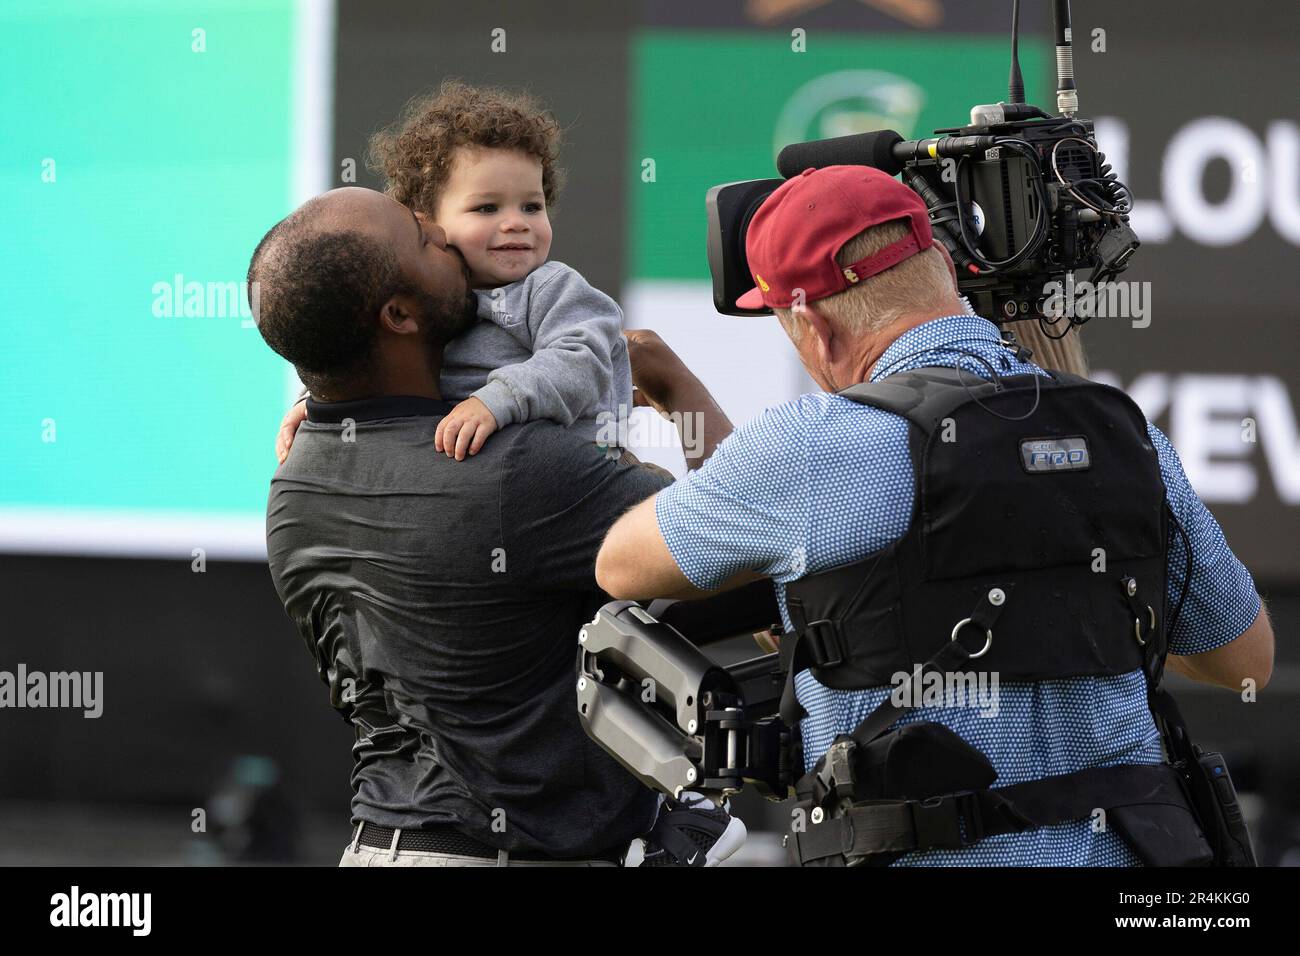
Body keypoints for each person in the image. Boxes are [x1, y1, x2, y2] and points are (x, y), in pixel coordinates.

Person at [596, 165, 1275, 866]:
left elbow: (620, 563)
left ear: (811, 326)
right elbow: (1245, 661)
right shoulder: (1127, 436)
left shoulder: (807, 447)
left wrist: (677, 391)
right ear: (944, 265)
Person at [251, 186, 740, 866]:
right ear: (398, 314)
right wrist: (668, 377)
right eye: (421, 238)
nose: (445, 236)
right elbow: (741, 546)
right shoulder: (518, 472)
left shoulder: (292, 486)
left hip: (378, 845)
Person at [367, 78, 630, 461]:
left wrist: (497, 400)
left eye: (531, 207)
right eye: (487, 208)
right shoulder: (418, 297)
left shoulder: (551, 288)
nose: (516, 223)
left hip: (572, 478)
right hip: (464, 483)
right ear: (428, 226)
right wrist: (316, 405)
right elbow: (365, 358)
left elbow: (583, 360)